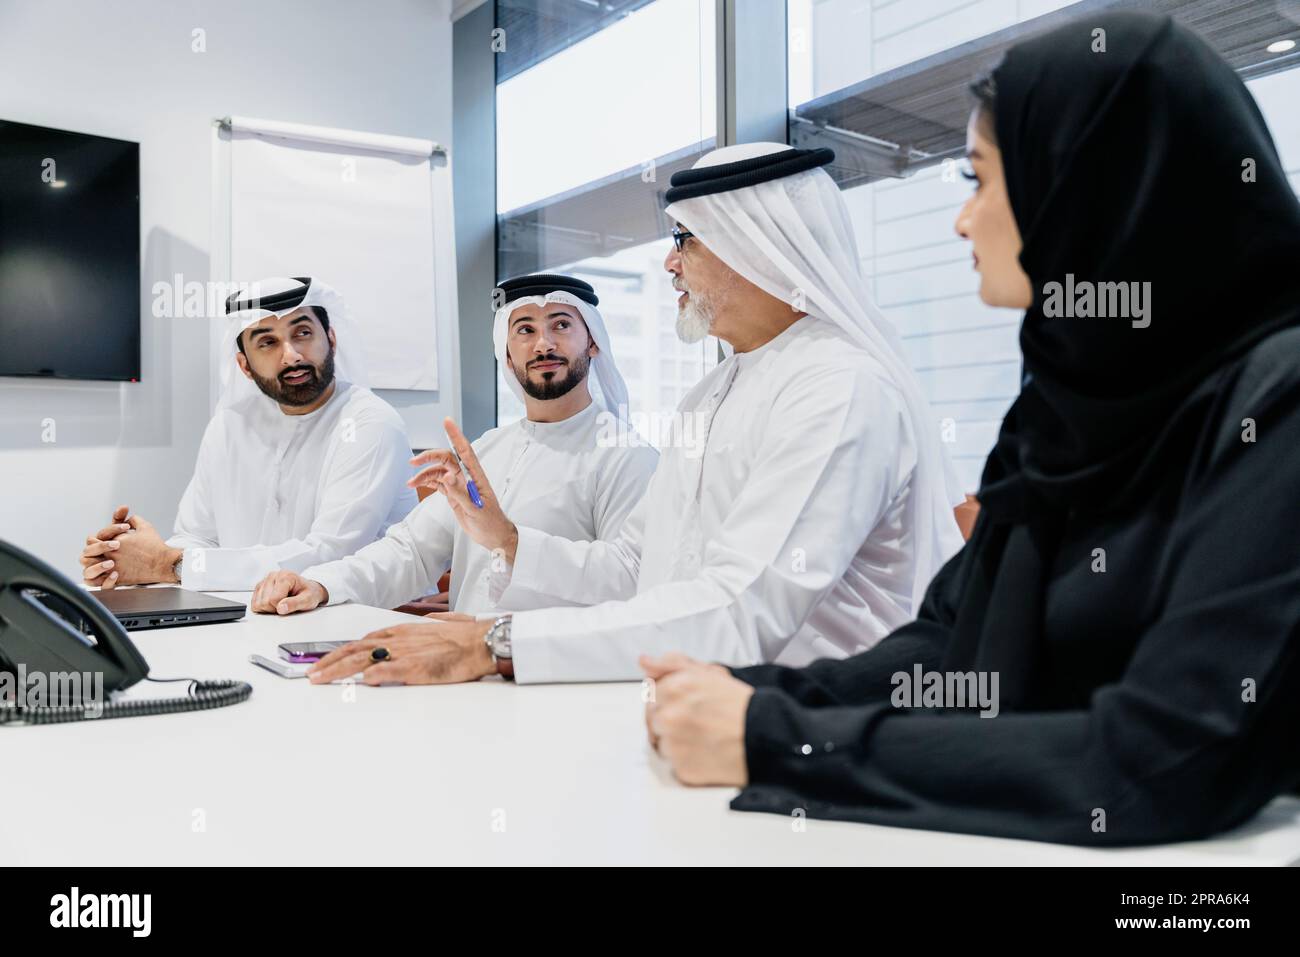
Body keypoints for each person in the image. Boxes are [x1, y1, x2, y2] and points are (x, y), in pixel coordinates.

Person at [643, 11, 1300, 847]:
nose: (963, 220)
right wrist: (752, 693)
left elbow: (1164, 755)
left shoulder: (1277, 405)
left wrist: (777, 739)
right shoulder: (1066, 404)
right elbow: (955, 643)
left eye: (981, 180)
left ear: (1086, 187)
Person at [306, 145, 964, 687]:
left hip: (819, 745)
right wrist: (509, 549)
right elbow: (633, 569)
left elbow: (742, 608)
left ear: (756, 246)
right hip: (695, 717)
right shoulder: (710, 395)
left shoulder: (838, 387)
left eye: (686, 240)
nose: (670, 263)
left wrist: (500, 641)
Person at [248, 274, 657, 618]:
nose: (543, 345)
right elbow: (410, 551)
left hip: (554, 680)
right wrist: (320, 584)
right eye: (526, 330)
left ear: (594, 342)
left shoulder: (628, 455)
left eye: (562, 326)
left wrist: (510, 541)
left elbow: (629, 578)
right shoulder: (489, 451)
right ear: (508, 356)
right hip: (462, 670)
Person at [79, 277, 416, 592]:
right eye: (268, 342)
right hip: (247, 613)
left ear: (331, 340)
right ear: (244, 366)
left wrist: (168, 565)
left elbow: (329, 556)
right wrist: (127, 556)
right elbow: (197, 537)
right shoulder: (229, 426)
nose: (291, 355)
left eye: (302, 333)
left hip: (358, 621)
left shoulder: (370, 424)